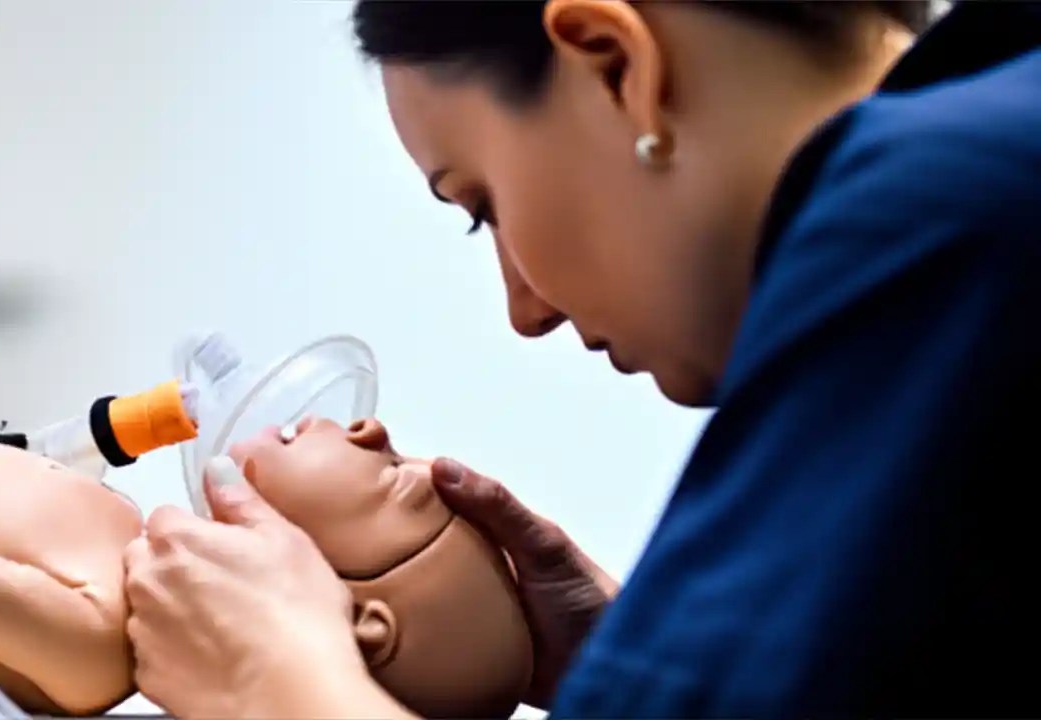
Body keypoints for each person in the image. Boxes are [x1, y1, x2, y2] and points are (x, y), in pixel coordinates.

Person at [122, 1, 1041, 717]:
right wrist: (654, 676)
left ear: (615, 64)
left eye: (480, 203)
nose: (525, 309)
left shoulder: (943, 217)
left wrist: (280, 688)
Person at [0, 367, 532, 717]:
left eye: (395, 480)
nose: (375, 431)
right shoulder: (115, 526)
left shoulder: (104, 652)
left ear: (357, 624)